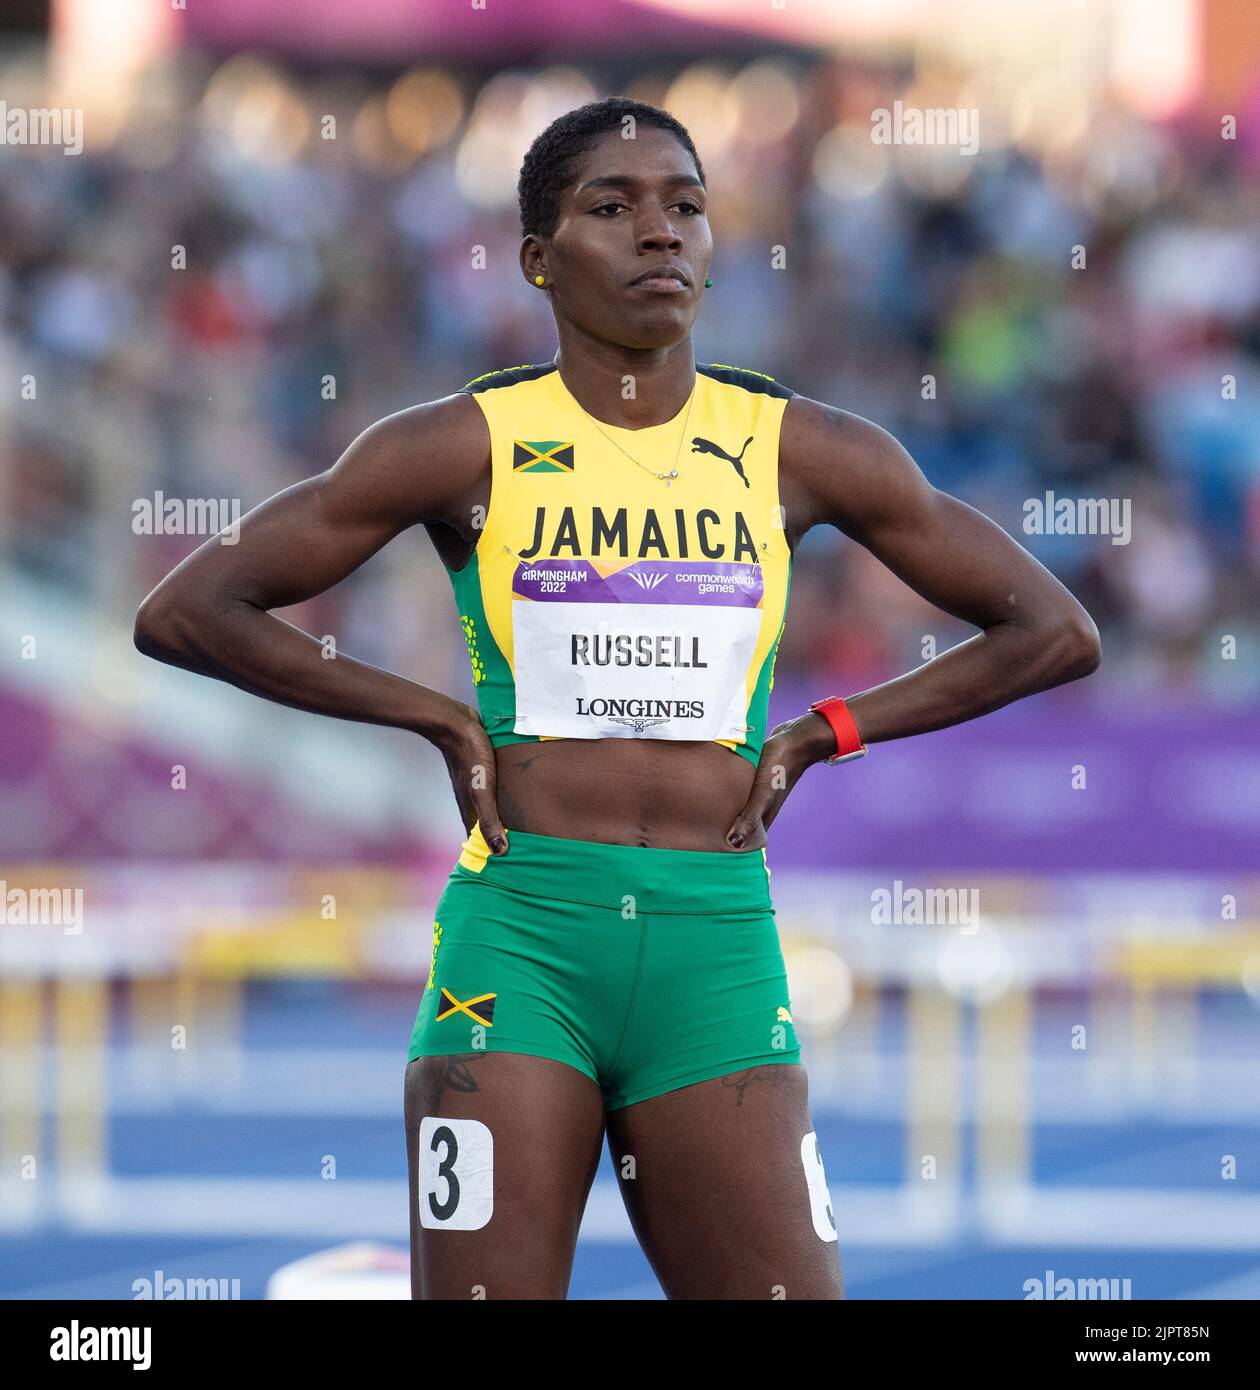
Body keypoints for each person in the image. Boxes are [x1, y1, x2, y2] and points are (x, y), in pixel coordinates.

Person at [134, 97, 1100, 1300]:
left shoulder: (799, 448)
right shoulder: (462, 444)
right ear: (538, 258)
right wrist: (430, 713)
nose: (661, 233)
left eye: (686, 206)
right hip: (522, 939)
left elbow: (1053, 631)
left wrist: (824, 731)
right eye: (614, 206)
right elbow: (187, 610)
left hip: (715, 943)